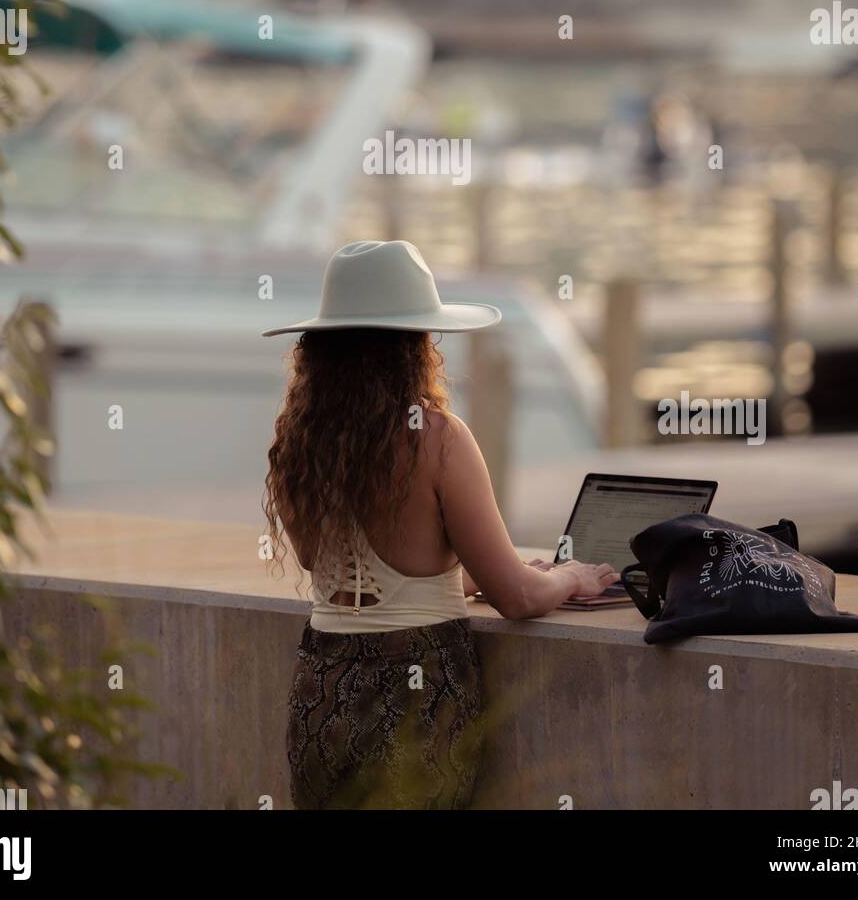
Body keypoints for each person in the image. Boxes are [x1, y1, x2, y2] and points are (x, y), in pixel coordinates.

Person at [262, 239, 617, 810]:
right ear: (413, 345)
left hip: (320, 686)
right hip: (417, 686)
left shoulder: (299, 441)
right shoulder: (438, 438)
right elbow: (520, 597)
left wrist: (463, 580)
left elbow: (330, 569)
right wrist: (570, 578)